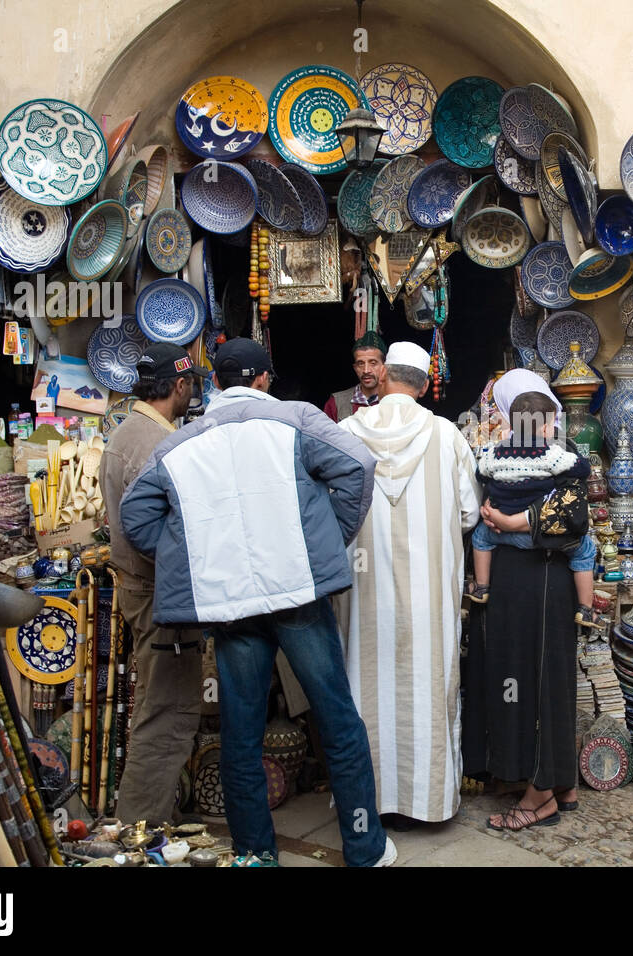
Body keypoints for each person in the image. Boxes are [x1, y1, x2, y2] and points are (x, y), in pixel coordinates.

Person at [121, 337, 395, 867]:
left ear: (217, 383)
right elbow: (357, 466)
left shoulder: (183, 441)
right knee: (338, 720)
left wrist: (195, 559)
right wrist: (327, 540)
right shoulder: (297, 420)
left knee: (239, 736)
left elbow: (137, 516)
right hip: (297, 594)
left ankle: (254, 855)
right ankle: (365, 848)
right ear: (265, 379)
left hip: (231, 607)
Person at [337, 341, 481, 829]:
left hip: (365, 592)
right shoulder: (446, 436)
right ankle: (427, 802)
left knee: (365, 686)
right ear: (422, 385)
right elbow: (467, 513)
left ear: (382, 378)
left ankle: (367, 803)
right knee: (429, 683)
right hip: (430, 597)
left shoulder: (345, 434)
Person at [461, 369, 590, 832]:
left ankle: (542, 795)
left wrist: (510, 523)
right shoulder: (524, 454)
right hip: (526, 579)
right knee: (530, 677)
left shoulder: (560, 455)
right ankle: (559, 783)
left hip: (539, 578)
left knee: (542, 678)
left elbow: (574, 519)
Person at [98, 343, 207, 824]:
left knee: (158, 703)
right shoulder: (152, 443)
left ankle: (146, 817)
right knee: (168, 711)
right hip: (158, 592)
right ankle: (139, 826)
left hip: (143, 589)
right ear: (179, 386)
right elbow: (150, 532)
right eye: (192, 386)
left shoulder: (129, 431)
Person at [466, 383, 602, 630]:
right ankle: (586, 609)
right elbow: (582, 469)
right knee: (584, 551)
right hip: (543, 542)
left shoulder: (495, 452)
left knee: (480, 538)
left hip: (500, 536)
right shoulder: (553, 453)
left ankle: (481, 586)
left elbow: (481, 474)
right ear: (546, 427)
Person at [323, 332, 386, 422]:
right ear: (355, 368)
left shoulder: (396, 401)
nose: (366, 370)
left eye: (373, 363)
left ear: (384, 366)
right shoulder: (336, 403)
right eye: (360, 363)